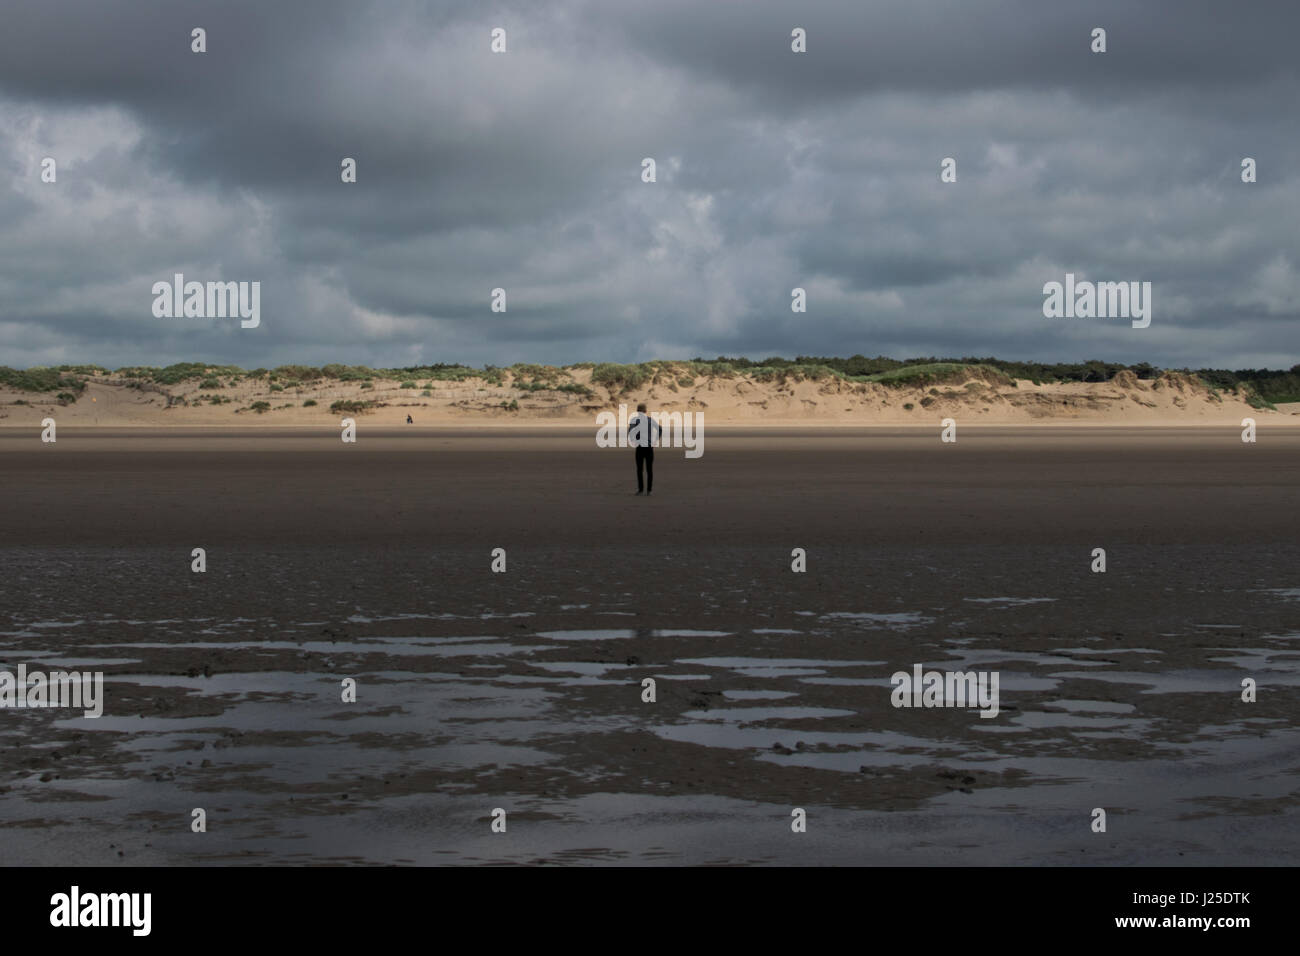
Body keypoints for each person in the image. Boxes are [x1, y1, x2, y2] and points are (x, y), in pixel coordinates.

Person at [629, 402, 660, 495]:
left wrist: (633, 440)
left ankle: (640, 489)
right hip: (649, 447)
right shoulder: (650, 420)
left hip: (639, 447)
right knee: (649, 470)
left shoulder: (634, 420)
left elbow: (630, 432)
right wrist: (655, 440)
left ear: (637, 411)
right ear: (645, 411)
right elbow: (660, 429)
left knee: (639, 469)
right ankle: (649, 490)